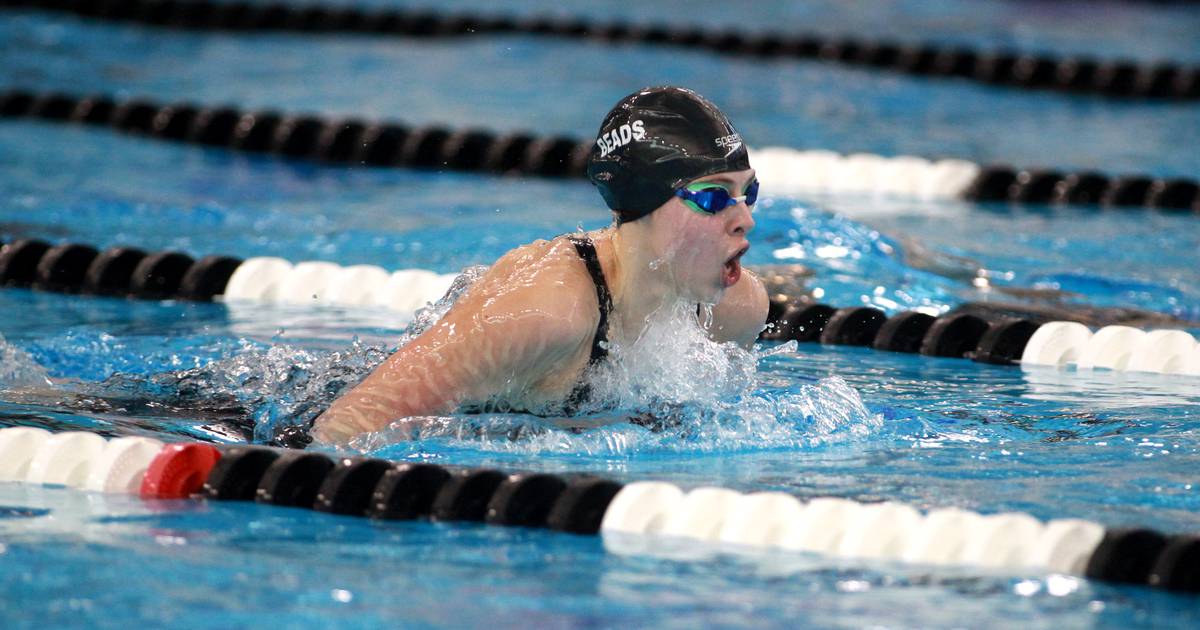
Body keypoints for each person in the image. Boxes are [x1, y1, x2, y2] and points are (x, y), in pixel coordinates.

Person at [311, 86, 768, 445]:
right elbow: (349, 425)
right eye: (713, 197)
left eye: (747, 192)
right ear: (644, 202)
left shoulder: (738, 309)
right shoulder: (546, 312)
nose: (744, 219)